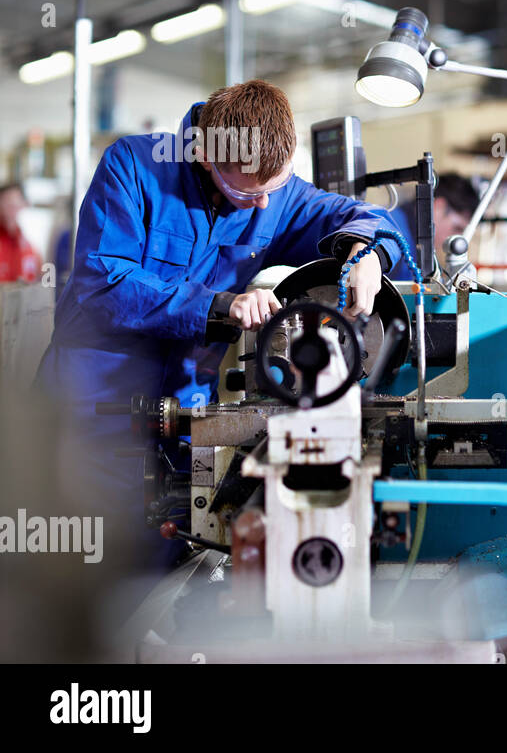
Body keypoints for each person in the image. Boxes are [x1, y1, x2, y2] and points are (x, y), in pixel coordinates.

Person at [35, 79, 404, 567]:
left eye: (275, 189)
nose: (264, 207)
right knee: (82, 570)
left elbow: (365, 215)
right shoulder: (133, 166)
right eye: (248, 194)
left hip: (185, 420)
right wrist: (220, 305)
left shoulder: (274, 194)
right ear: (206, 156)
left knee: (165, 562)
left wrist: (368, 250)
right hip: (94, 412)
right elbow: (104, 283)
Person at [385, 172, 478, 281]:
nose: (457, 237)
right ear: (438, 207)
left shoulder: (421, 247)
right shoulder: (393, 233)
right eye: (457, 228)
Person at [0, 182, 42, 283]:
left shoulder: (29, 246)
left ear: (23, 204)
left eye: (15, 201)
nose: (11, 205)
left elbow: (39, 275)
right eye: (7, 200)